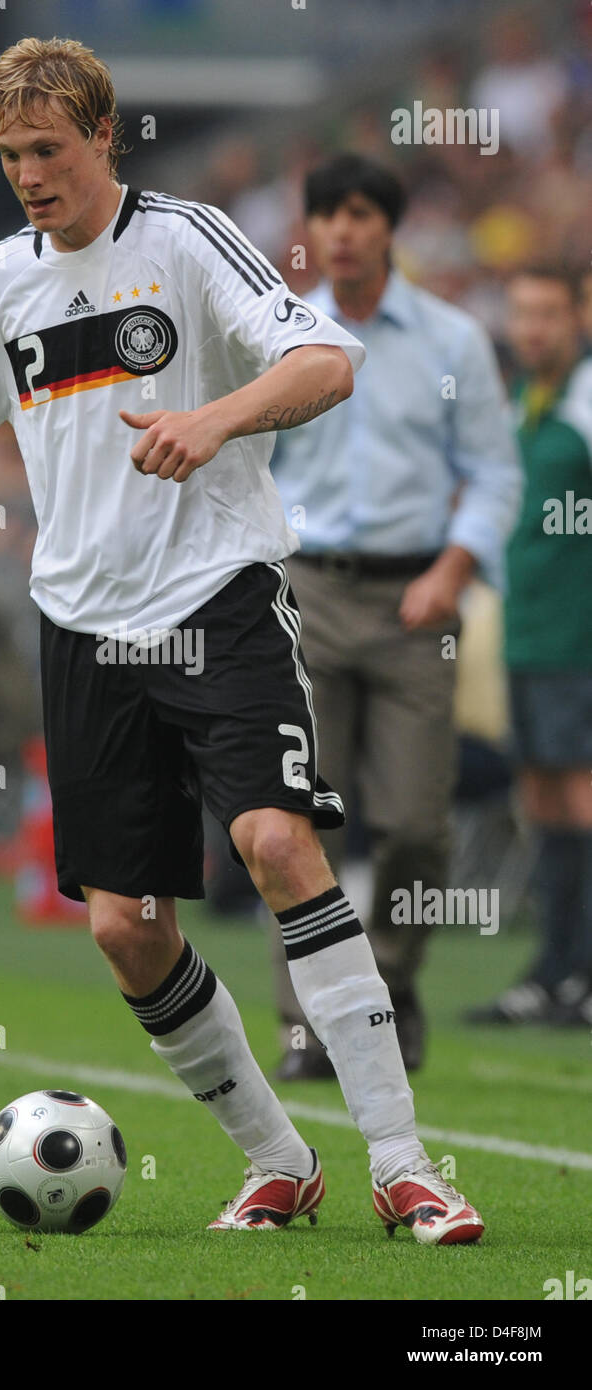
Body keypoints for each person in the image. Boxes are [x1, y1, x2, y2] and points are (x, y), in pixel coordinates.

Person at [0, 37, 483, 1243]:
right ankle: (277, 1160)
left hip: (215, 595)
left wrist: (212, 420)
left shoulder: (185, 238)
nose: (29, 175)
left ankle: (405, 1164)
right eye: (9, 156)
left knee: (274, 840)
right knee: (122, 926)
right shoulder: (2, 280)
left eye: (48, 150)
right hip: (85, 627)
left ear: (104, 135)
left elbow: (325, 360)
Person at [269, 154, 521, 1080]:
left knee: (416, 823)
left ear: (390, 228)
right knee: (298, 821)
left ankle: (391, 988)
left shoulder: (452, 341)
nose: (342, 230)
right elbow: (252, 465)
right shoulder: (281, 332)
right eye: (327, 212)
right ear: (312, 225)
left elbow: (494, 470)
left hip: (419, 596)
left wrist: (454, 568)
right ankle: (308, 1021)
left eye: (361, 213)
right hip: (308, 590)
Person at [468, 266, 592, 1026]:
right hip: (527, 635)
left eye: (548, 313)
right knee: (542, 795)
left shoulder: (584, 399)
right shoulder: (519, 400)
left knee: (580, 794)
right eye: (522, 313)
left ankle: (583, 971)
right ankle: (553, 971)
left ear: (577, 316)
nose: (533, 329)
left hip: (580, 637)